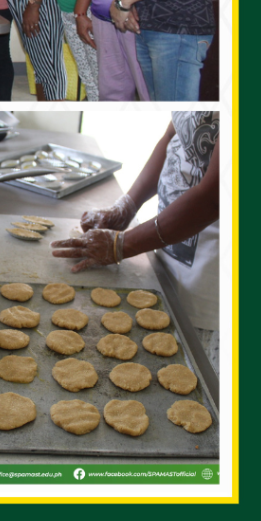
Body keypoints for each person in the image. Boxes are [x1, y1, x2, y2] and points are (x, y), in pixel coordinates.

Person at [52, 111, 220, 370]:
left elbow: (215, 197)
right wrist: (127, 205)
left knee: (190, 367)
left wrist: (122, 244)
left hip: (211, 271)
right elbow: (172, 137)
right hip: (165, 239)